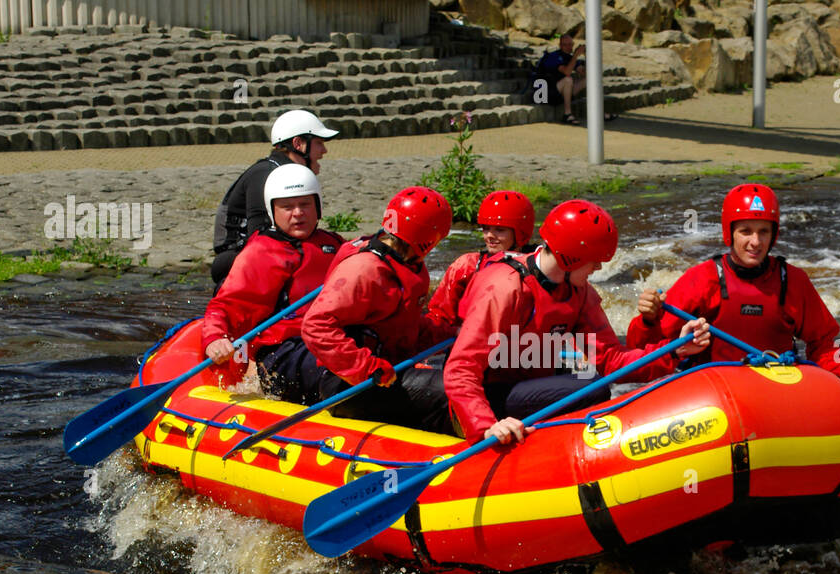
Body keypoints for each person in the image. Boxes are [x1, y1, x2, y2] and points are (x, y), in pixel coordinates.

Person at [443, 199, 711, 445]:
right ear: (570, 257)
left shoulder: (580, 293)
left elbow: (611, 360)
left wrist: (674, 350)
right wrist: (486, 426)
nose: (598, 269)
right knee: (588, 388)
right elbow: (460, 369)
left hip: (525, 388)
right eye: (594, 262)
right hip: (484, 399)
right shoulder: (504, 288)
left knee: (591, 383)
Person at [628, 183, 840, 390]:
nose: (755, 241)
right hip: (715, 392)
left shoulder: (793, 280)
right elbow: (643, 350)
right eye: (746, 231)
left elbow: (826, 342)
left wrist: (838, 381)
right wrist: (648, 320)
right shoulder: (703, 278)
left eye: (763, 231)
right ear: (730, 233)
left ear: (773, 235)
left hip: (775, 389)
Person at [300, 187, 458, 432]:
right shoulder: (364, 270)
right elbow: (315, 327)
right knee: (449, 390)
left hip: (390, 371)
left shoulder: (408, 265)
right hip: (350, 384)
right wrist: (365, 367)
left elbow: (406, 327)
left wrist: (453, 334)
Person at [202, 164, 344, 404]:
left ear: (317, 207)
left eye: (305, 205)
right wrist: (214, 338)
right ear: (273, 211)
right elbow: (225, 306)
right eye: (287, 207)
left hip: (331, 340)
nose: (298, 213)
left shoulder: (334, 245)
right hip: (283, 353)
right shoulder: (261, 253)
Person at [211, 109, 339, 289]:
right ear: (298, 144)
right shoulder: (266, 175)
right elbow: (260, 238)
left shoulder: (285, 171)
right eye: (319, 143)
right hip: (235, 256)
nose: (324, 150)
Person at [426, 190, 536, 329]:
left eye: (499, 230)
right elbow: (440, 316)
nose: (489, 235)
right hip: (471, 343)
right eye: (485, 228)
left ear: (521, 232)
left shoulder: (539, 268)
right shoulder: (466, 266)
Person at [536, 34, 611, 126]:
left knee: (591, 79)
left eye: (570, 44)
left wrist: (587, 55)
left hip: (560, 93)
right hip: (546, 94)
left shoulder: (570, 58)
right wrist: (575, 55)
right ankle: (567, 114)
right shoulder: (554, 56)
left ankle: (598, 113)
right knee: (568, 79)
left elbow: (587, 73)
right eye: (565, 45)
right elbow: (567, 72)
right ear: (560, 45)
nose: (569, 47)